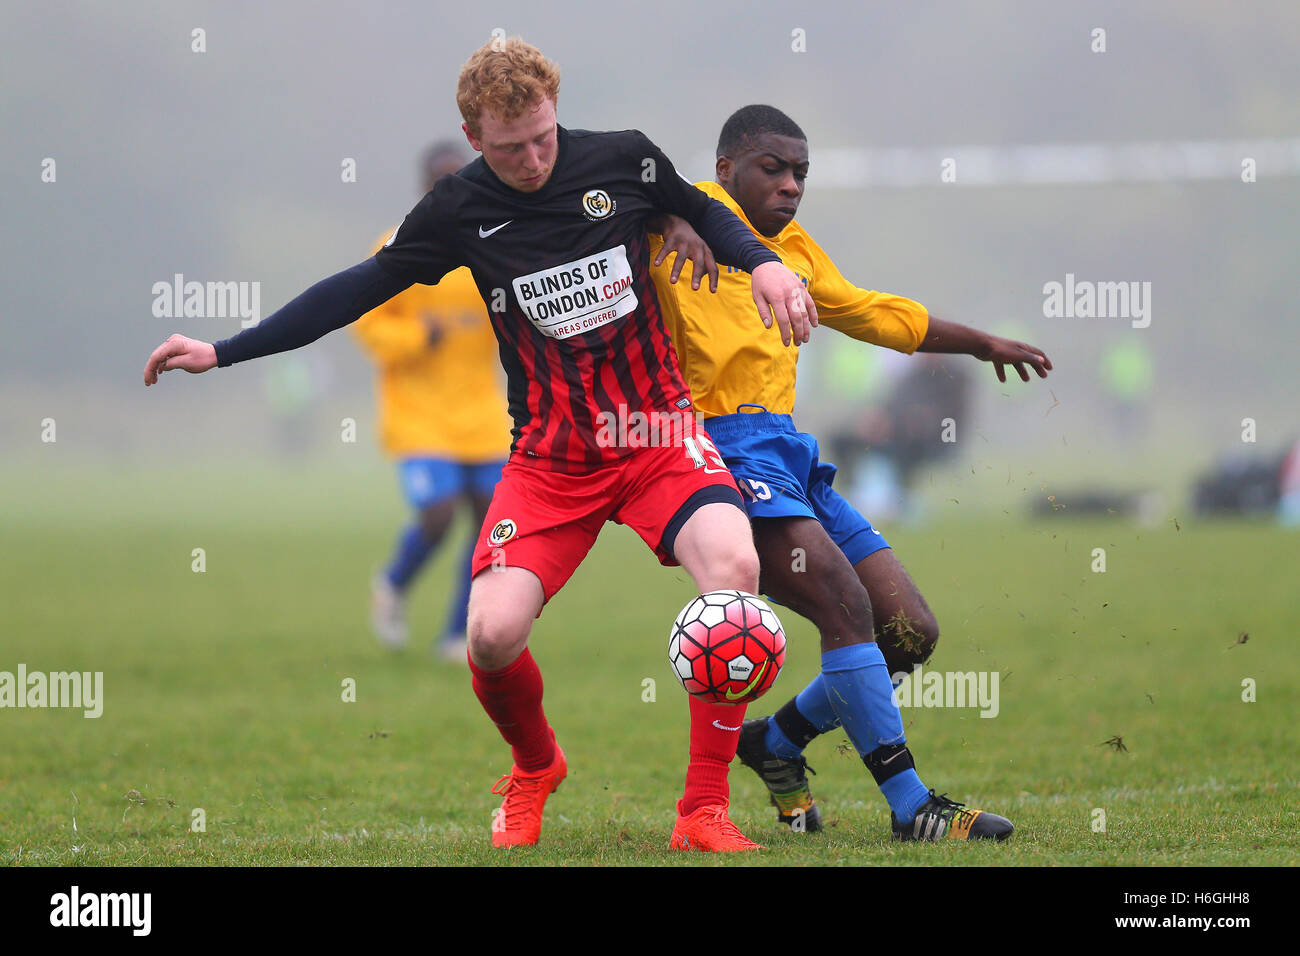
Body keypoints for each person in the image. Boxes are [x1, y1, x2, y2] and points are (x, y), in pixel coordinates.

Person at [143, 40, 817, 852]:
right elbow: (358, 290)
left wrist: (766, 265)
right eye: (509, 148)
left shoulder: (623, 159)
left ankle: (702, 811)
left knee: (734, 574)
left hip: (657, 437)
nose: (533, 160)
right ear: (472, 137)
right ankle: (536, 766)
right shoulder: (457, 209)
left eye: (542, 138)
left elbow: (703, 210)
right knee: (492, 634)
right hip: (551, 459)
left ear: (555, 112)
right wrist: (225, 350)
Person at [650, 104, 1052, 841]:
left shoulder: (794, 250)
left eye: (801, 172)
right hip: (720, 454)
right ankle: (912, 805)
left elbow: (871, 313)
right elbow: (607, 192)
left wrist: (979, 342)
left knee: (910, 632)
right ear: (725, 169)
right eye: (773, 168)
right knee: (843, 605)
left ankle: (774, 744)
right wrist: (671, 219)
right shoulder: (669, 228)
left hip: (790, 454)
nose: (791, 185)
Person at [353, 142, 511, 660]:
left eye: (459, 177)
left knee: (492, 522)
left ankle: (456, 633)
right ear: (425, 188)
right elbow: (369, 323)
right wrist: (421, 334)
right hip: (419, 415)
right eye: (441, 180)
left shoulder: (491, 247)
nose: (452, 188)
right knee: (439, 513)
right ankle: (394, 582)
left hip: (481, 413)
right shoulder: (399, 246)